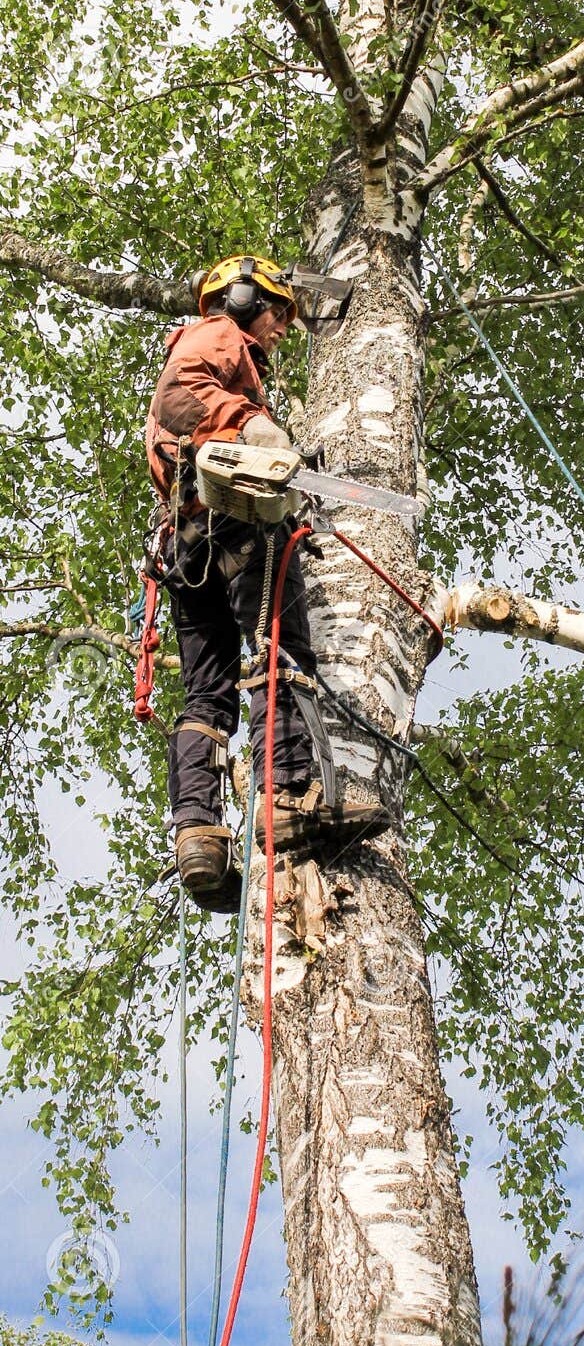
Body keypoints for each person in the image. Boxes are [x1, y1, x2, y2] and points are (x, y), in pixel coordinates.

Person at [145, 254, 388, 912]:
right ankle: (286, 795)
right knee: (282, 650)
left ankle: (198, 832)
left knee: (206, 693)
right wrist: (252, 424)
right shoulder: (221, 336)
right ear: (247, 297)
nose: (283, 327)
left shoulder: (224, 351)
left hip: (187, 542)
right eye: (279, 312)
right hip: (234, 529)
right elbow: (176, 397)